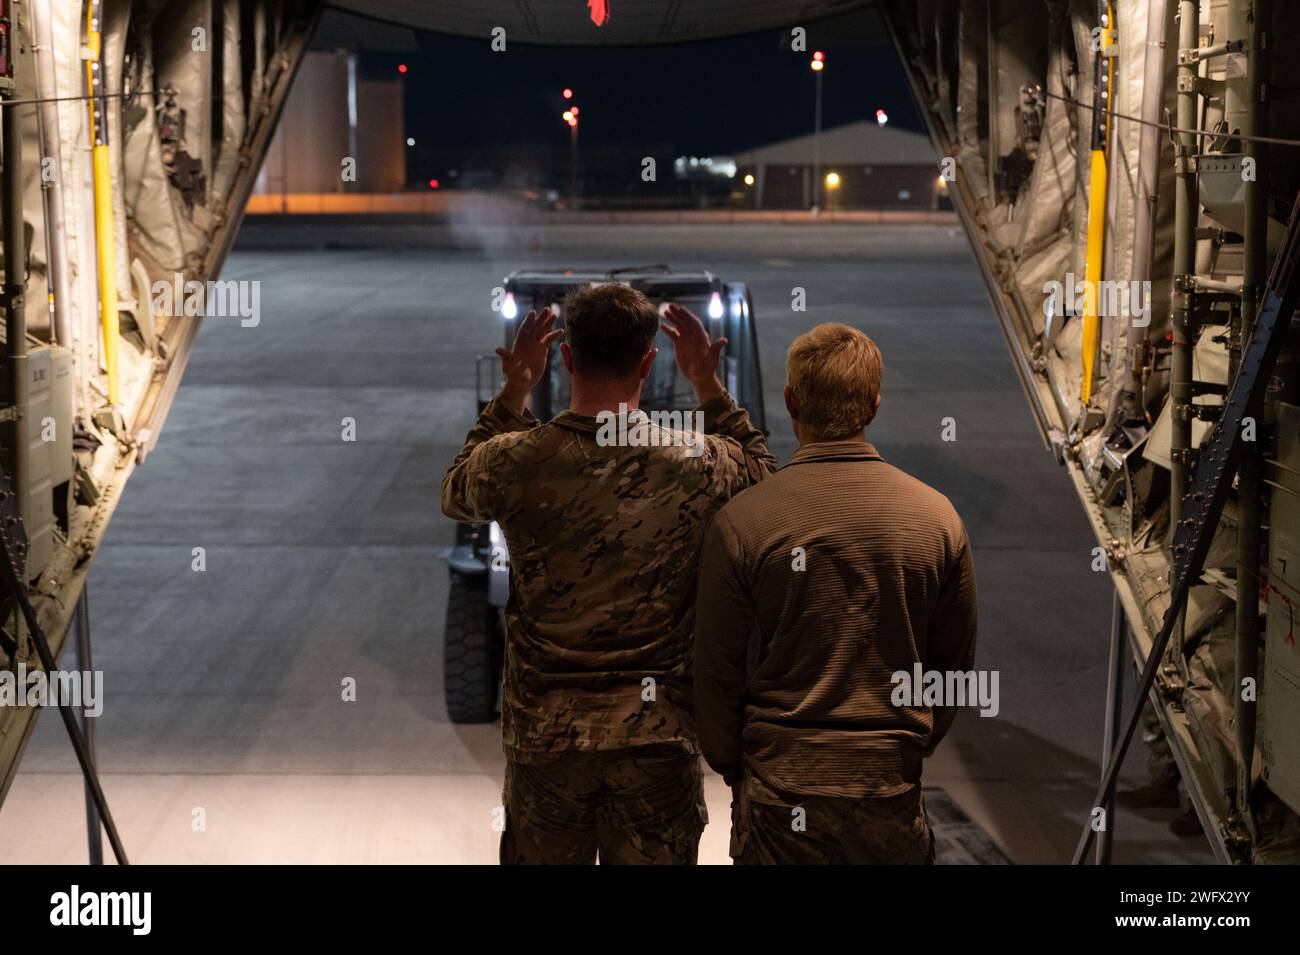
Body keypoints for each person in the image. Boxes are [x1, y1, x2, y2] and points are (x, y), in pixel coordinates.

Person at [442, 284, 775, 864]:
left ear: (566, 358)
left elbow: (456, 490)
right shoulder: (698, 463)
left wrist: (516, 388)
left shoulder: (514, 461)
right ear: (650, 361)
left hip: (547, 739)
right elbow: (769, 480)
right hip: (657, 739)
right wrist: (706, 383)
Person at [694, 322, 977, 864]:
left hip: (781, 788)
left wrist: (738, 766)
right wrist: (905, 747)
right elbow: (954, 667)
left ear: (790, 401)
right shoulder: (936, 518)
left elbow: (715, 670)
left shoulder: (742, 522)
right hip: (887, 787)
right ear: (873, 405)